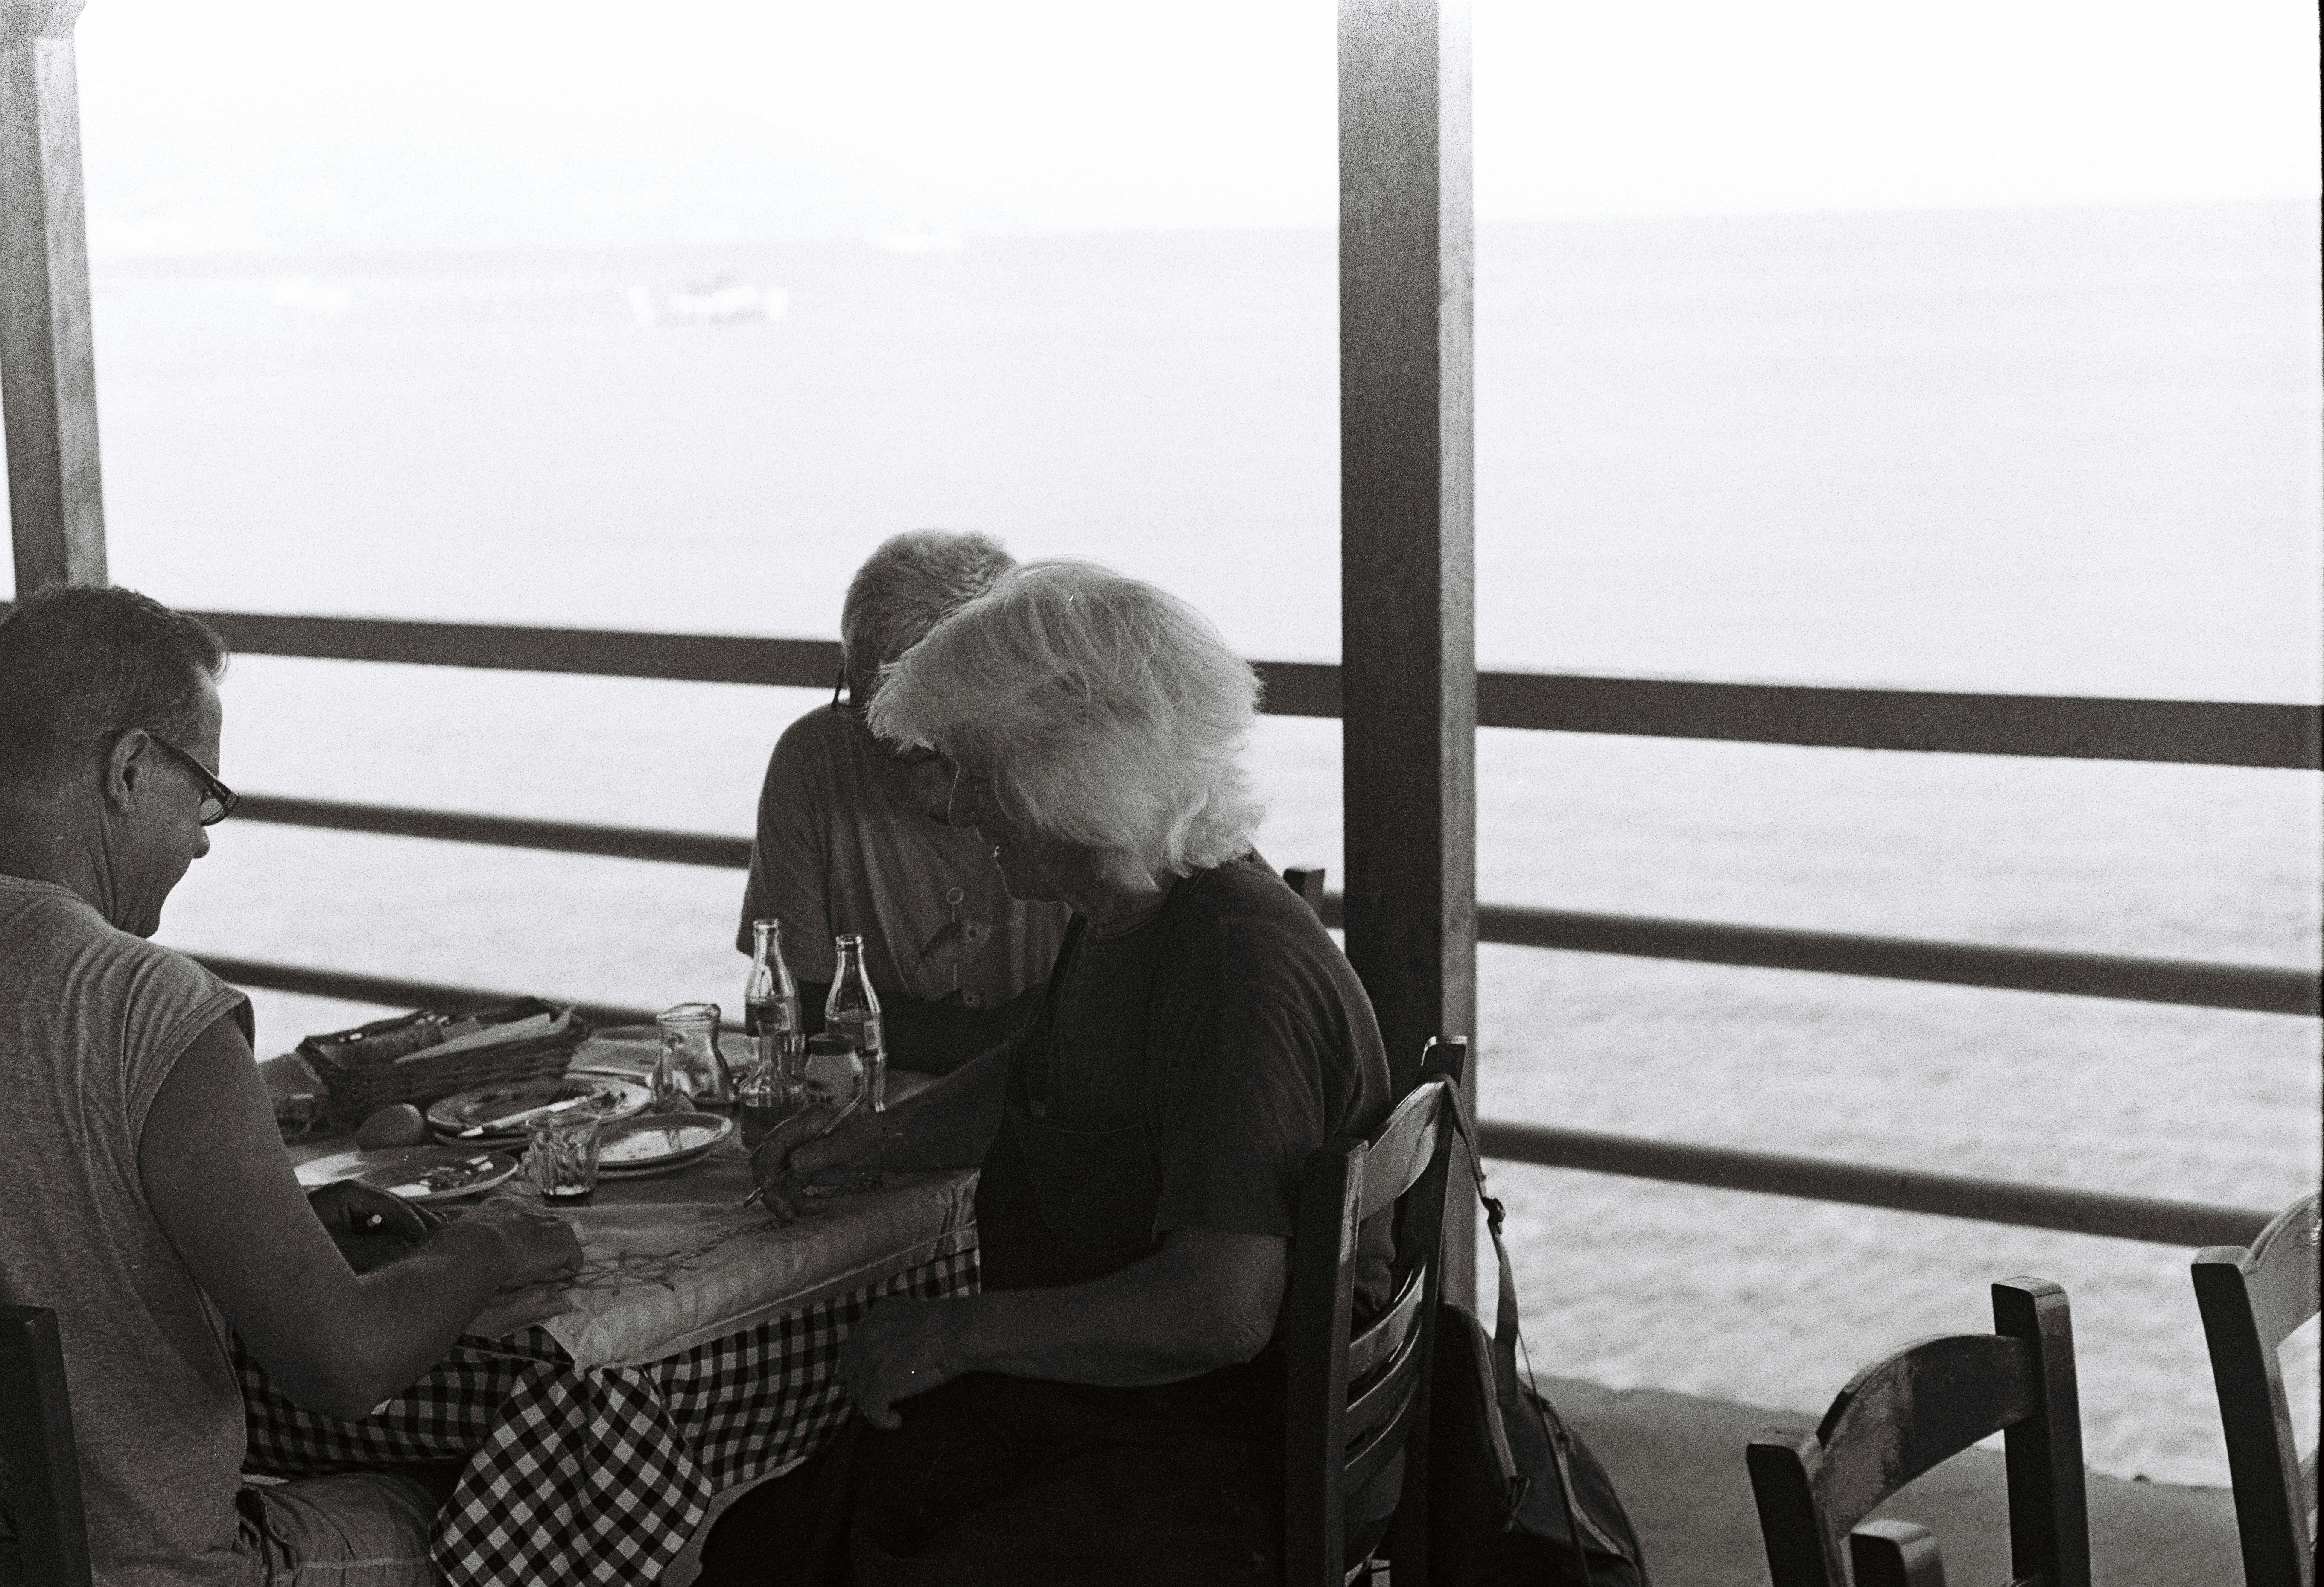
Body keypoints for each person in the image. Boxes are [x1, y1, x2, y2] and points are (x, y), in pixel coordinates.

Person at [701, 562, 1394, 1585]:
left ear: (1077, 773)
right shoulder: (1137, 911)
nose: (959, 810)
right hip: (1128, 1410)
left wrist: (957, 1333)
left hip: (1217, 1454)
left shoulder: (1233, 968)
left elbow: (1220, 1306)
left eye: (980, 776)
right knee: (771, 1539)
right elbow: (1041, 1073)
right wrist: (875, 1139)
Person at [0, 586, 584, 1587]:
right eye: (205, 794)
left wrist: (281, 1223)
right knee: (559, 1505)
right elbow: (343, 1363)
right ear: (129, 767)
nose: (203, 838)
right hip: (153, 1571)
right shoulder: (142, 1004)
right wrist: (491, 1239)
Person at [736, 531, 1071, 1074]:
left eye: (914, 715)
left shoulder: (1077, 769)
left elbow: (1114, 1007)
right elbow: (797, 1011)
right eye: (866, 705)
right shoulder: (815, 756)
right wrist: (1011, 1034)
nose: (889, 741)